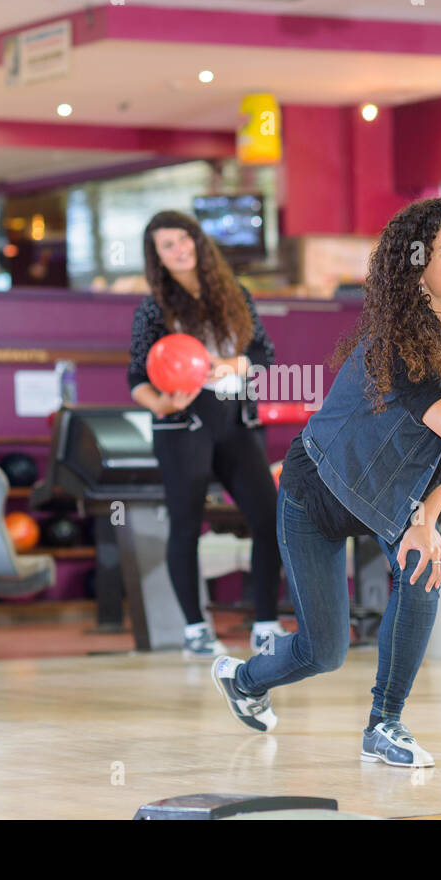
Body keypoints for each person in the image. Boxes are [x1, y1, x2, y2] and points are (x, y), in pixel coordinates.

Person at [211, 197, 441, 767]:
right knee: (324, 652)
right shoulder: (399, 348)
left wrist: (427, 519)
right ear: (418, 274)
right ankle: (243, 681)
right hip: (316, 494)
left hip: (394, 495)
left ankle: (385, 724)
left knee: (423, 572)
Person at [127, 211, 286, 659]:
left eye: (184, 239)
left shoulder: (234, 294)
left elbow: (264, 353)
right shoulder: (154, 308)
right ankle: (196, 631)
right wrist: (160, 404)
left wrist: (234, 364)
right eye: (167, 245)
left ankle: (266, 625)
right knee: (186, 524)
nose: (179, 250)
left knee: (269, 518)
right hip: (182, 424)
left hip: (235, 420)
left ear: (198, 241)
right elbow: (136, 376)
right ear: (157, 257)